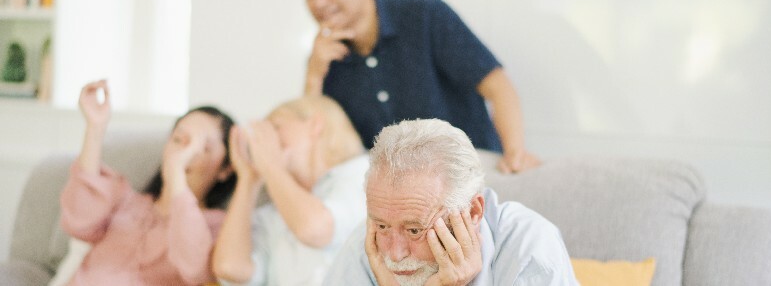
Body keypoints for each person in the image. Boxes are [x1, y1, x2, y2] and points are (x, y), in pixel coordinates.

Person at [293, 0, 540, 173]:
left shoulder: (425, 16)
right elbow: (315, 144)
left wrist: (514, 152)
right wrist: (313, 77)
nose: (319, 2)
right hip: (395, 198)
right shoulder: (324, 59)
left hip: (468, 174)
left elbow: (498, 86)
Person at [325, 119, 578, 286]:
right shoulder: (366, 244)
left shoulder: (529, 247)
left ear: (474, 212)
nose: (395, 253)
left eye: (415, 230)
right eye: (382, 226)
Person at [59, 80, 237, 285]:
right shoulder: (125, 200)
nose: (183, 153)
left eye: (202, 147)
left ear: (225, 169)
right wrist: (95, 128)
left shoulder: (216, 226)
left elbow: (194, 270)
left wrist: (176, 174)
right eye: (178, 139)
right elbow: (78, 222)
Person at [213, 95, 369, 285]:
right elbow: (230, 268)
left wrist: (270, 164)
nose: (267, 141)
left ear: (315, 125)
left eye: (276, 127)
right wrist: (248, 180)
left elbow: (315, 229)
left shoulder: (361, 174)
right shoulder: (273, 212)